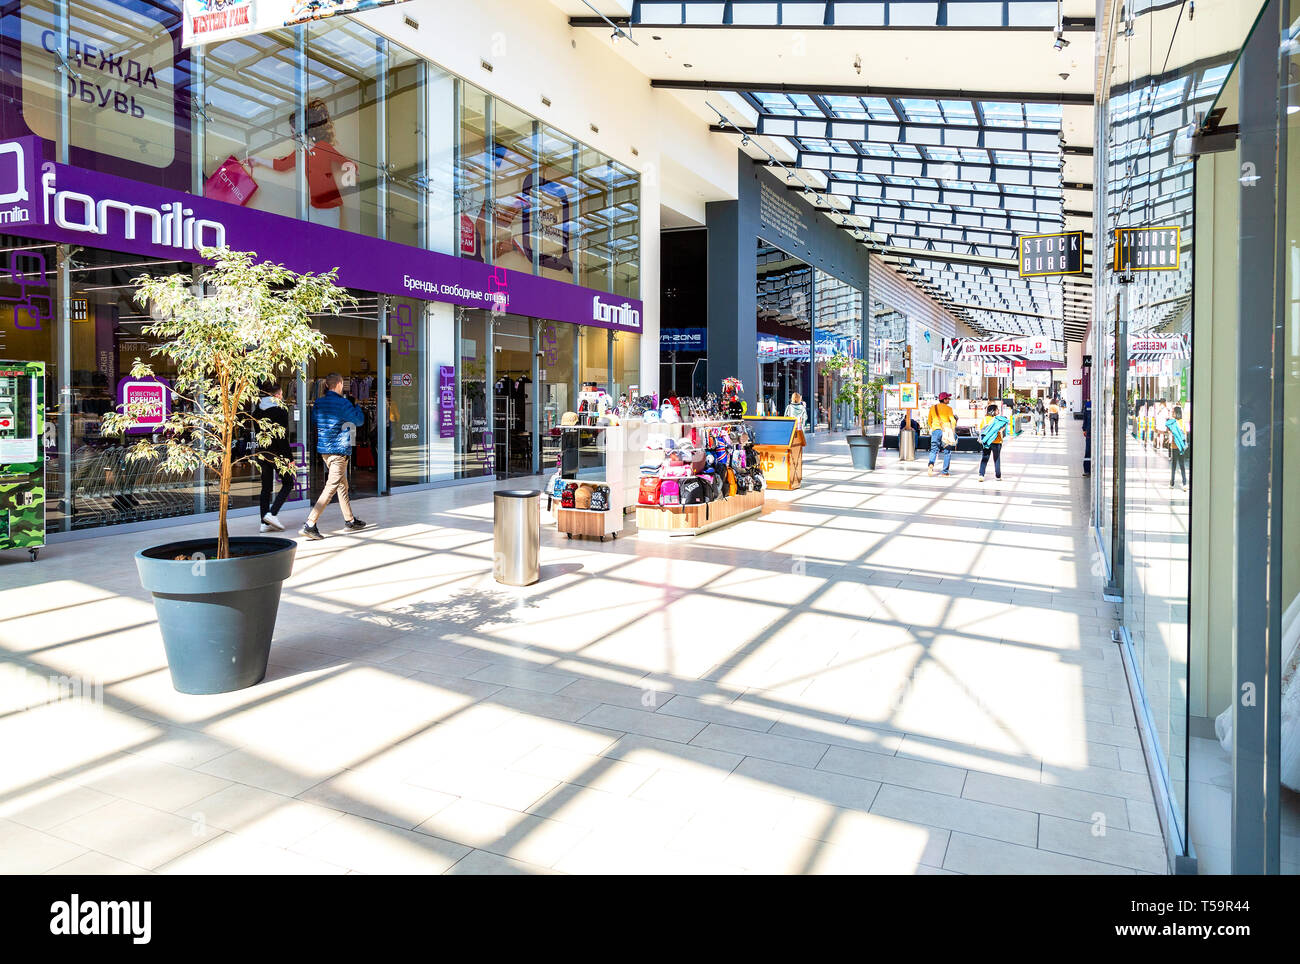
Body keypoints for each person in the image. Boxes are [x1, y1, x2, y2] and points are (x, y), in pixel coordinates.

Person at [253, 99, 352, 230]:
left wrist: (350, 176)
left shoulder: (323, 147)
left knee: (328, 243)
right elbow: (281, 166)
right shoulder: (300, 152)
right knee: (302, 233)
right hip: (314, 206)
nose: (292, 137)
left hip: (331, 208)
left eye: (293, 132)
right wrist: (258, 160)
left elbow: (347, 163)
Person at [300, 373, 368, 540]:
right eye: (342, 383)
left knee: (341, 486)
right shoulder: (343, 403)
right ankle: (310, 523)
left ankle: (350, 520)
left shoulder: (319, 402)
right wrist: (357, 405)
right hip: (339, 451)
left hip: (325, 450)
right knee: (331, 486)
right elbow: (358, 421)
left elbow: (315, 420)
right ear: (338, 384)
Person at [257, 380, 295, 532]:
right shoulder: (280, 410)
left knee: (265, 487)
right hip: (277, 453)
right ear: (277, 395)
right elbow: (282, 438)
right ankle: (272, 514)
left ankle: (264, 524)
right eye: (281, 394)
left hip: (262, 452)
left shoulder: (257, 410)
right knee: (288, 483)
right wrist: (290, 459)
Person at [926, 391, 957, 477]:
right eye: (948, 398)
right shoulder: (949, 409)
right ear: (944, 399)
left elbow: (929, 420)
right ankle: (945, 472)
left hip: (936, 431)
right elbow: (953, 420)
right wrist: (952, 430)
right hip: (946, 431)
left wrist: (934, 427)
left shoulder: (933, 408)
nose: (949, 400)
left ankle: (931, 464)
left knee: (934, 450)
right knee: (947, 451)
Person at [977, 404, 1007, 482]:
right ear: (993, 411)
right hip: (997, 442)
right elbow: (1002, 430)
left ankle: (981, 475)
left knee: (984, 458)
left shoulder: (984, 419)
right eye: (997, 410)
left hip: (987, 441)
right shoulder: (998, 420)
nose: (998, 411)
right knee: (996, 459)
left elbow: (981, 429)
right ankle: (998, 476)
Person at [1167, 404, 1189, 491]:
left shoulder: (1172, 422)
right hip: (1181, 447)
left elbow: (1169, 432)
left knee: (1174, 465)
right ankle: (1184, 484)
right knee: (1182, 465)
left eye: (1173, 412)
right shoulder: (1182, 422)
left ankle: (1172, 483)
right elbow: (1185, 434)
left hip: (1174, 446)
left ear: (1176, 413)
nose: (1172, 413)